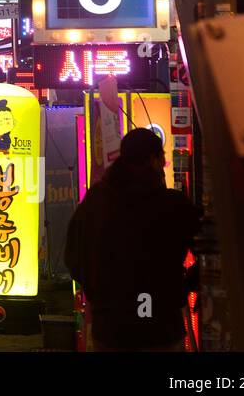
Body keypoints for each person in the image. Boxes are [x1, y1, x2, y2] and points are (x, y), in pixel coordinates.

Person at [65, 128, 201, 351]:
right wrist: (183, 288)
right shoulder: (172, 205)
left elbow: (74, 257)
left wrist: (99, 296)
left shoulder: (97, 200)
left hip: (110, 328)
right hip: (160, 328)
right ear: (153, 159)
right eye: (162, 157)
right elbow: (209, 249)